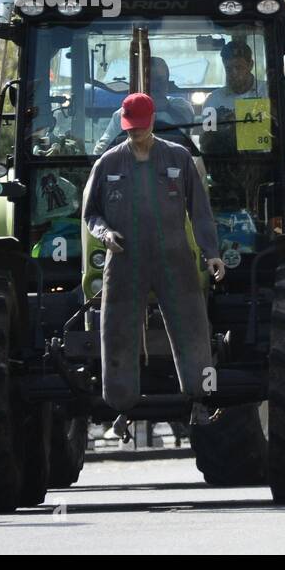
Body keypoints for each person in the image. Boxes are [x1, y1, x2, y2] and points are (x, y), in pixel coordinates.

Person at [81, 93, 226, 433]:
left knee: (193, 329)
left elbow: (200, 212)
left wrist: (211, 253)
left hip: (174, 260)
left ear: (153, 122)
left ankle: (200, 401)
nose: (135, 133)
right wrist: (105, 235)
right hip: (124, 262)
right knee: (116, 331)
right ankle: (120, 408)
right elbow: (91, 213)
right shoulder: (107, 163)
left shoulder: (178, 158)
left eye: (141, 127)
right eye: (130, 128)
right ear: (122, 123)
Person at [92, 57, 195, 155]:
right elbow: (102, 149)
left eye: (159, 80)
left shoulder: (181, 107)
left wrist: (164, 106)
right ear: (140, 84)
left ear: (167, 84)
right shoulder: (123, 115)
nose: (154, 85)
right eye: (149, 80)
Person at [201, 41, 264, 153]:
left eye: (239, 67)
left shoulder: (268, 92)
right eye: (228, 69)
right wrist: (222, 125)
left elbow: (279, 131)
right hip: (226, 161)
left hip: (266, 160)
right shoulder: (213, 100)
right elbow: (206, 144)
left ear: (250, 65)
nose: (233, 73)